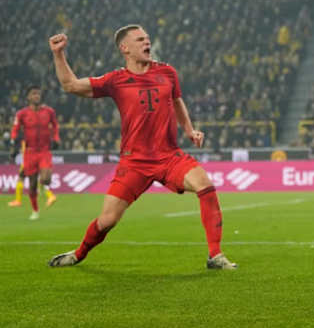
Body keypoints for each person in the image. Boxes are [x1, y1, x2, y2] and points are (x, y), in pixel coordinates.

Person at [46, 26, 237, 270]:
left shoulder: (167, 72)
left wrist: (189, 130)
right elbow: (70, 85)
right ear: (124, 48)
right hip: (134, 162)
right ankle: (78, 254)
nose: (147, 42)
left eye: (147, 38)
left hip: (169, 157)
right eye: (140, 40)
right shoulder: (115, 80)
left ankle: (215, 255)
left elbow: (176, 100)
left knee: (205, 186)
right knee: (108, 220)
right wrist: (59, 54)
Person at [10, 86, 60, 219]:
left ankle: (45, 189)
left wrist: (56, 138)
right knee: (32, 186)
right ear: (28, 97)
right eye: (33, 94)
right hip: (29, 152)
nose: (36, 96)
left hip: (44, 151)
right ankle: (35, 210)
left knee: (46, 178)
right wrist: (14, 143)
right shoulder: (22, 114)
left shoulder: (49, 111)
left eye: (38, 94)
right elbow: (15, 129)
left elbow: (55, 125)